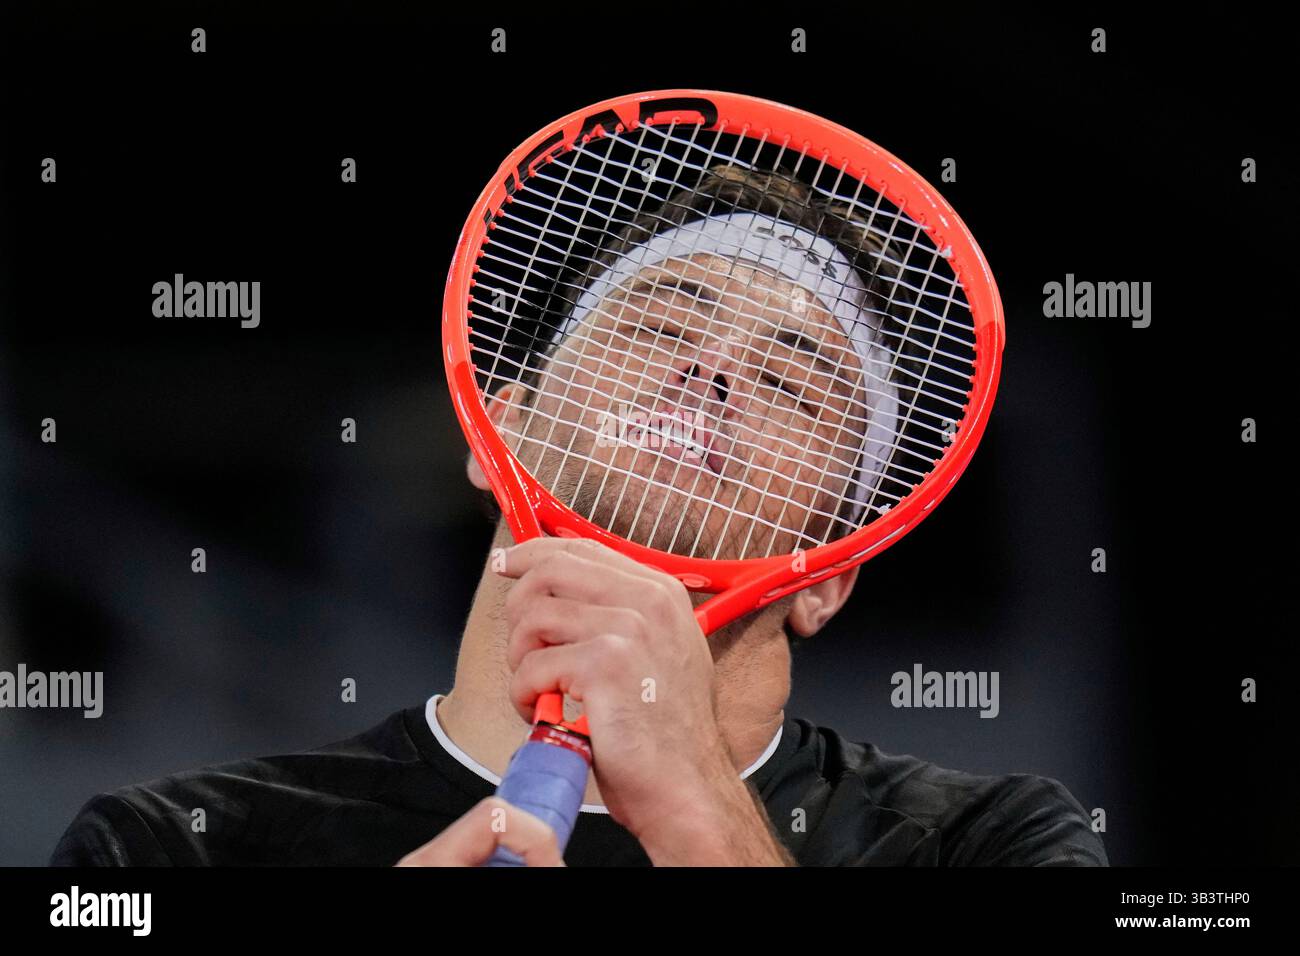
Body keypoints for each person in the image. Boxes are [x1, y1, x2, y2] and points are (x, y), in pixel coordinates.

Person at [51, 166, 1106, 867]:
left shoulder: (990, 840)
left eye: (793, 382)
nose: (711, 370)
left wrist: (695, 805)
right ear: (498, 433)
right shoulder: (164, 845)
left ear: (831, 571)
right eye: (659, 324)